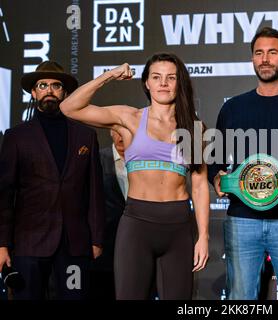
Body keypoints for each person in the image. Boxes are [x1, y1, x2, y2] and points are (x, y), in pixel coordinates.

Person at [60, 52, 210, 300]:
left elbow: (199, 185)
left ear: (179, 82)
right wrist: (109, 76)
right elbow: (68, 107)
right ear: (146, 83)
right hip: (137, 225)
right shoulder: (128, 118)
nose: (163, 83)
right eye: (156, 77)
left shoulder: (194, 127)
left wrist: (203, 236)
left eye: (170, 77)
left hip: (178, 227)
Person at [0, 61, 105, 300]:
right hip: (28, 244)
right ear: (34, 92)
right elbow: (4, 195)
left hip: (75, 244)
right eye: (43, 85)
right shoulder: (15, 137)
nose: (49, 90)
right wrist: (2, 245)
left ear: (64, 92)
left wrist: (97, 238)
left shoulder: (85, 135)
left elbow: (94, 191)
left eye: (56, 85)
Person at [208, 27, 278, 300]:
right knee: (241, 298)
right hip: (242, 219)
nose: (265, 59)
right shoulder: (233, 107)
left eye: (272, 52)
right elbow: (215, 161)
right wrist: (216, 178)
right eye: (259, 53)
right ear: (252, 60)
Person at [89, 129, 127, 300]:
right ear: (111, 132)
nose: (121, 136)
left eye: (125, 131)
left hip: (139, 245)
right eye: (116, 131)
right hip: (105, 248)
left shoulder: (146, 161)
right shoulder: (96, 158)